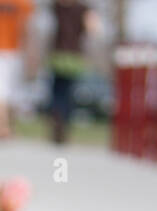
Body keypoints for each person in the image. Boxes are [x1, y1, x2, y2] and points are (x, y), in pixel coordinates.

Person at [47, 0, 101, 144]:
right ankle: (63, 125)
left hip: (59, 54)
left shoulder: (58, 6)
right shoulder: (82, 8)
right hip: (73, 55)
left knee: (58, 93)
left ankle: (57, 122)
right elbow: (93, 28)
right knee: (68, 93)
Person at [0, 0, 34, 139]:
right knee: (10, 91)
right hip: (14, 51)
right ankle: (6, 128)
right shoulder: (24, 3)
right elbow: (26, 28)